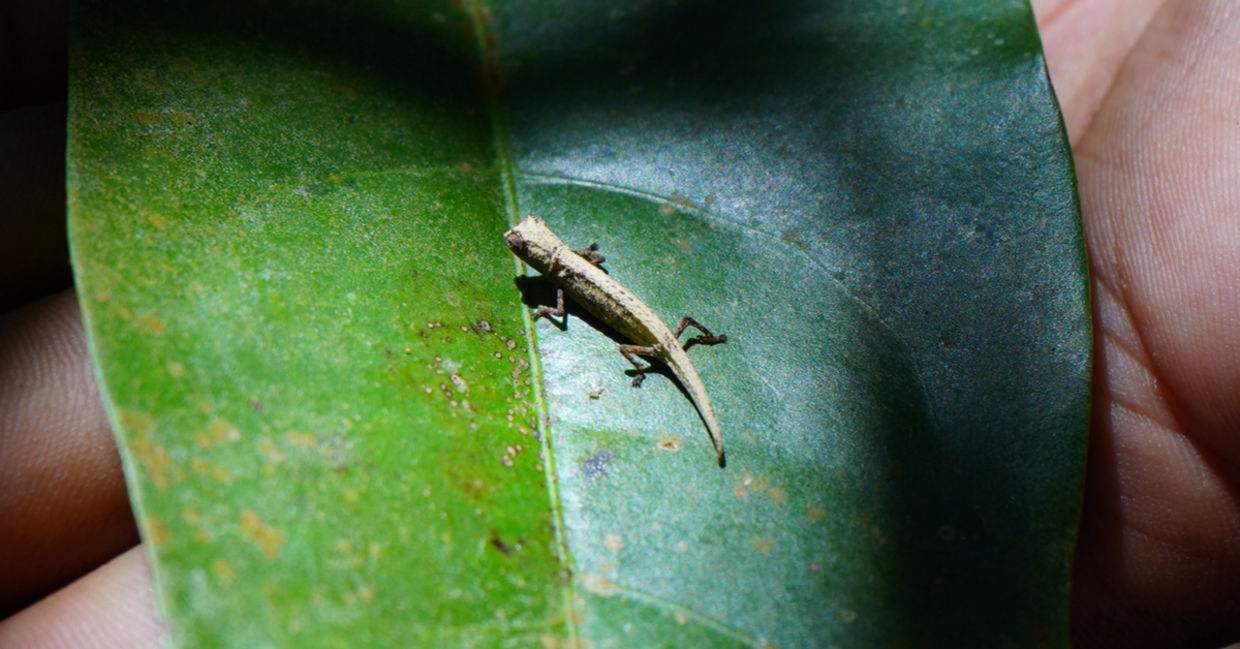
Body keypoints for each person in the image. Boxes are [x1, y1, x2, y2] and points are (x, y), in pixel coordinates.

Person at [1, 0, 1237, 647]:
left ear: (543, 256)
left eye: (530, 255)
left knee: (663, 354)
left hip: (650, 337)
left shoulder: (563, 283)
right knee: (661, 341)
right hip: (646, 322)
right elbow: (574, 276)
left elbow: (568, 297)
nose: (529, 260)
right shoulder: (566, 263)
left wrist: (607, 329)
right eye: (532, 256)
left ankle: (688, 381)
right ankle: (685, 370)